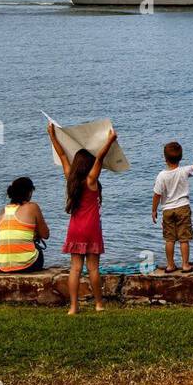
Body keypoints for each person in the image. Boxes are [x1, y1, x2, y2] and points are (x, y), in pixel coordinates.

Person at [48, 122, 117, 315]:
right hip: (91, 228)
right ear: (88, 164)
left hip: (75, 228)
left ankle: (73, 307)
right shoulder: (91, 180)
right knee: (93, 268)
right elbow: (100, 158)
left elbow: (62, 155)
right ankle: (99, 304)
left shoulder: (71, 178)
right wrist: (110, 140)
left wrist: (52, 135)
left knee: (75, 268)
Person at [151, 140, 193, 274]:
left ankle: (170, 265)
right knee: (184, 239)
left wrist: (154, 210)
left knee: (169, 239)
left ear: (165, 159)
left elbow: (156, 194)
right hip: (183, 208)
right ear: (181, 158)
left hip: (167, 210)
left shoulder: (161, 175)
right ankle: (185, 265)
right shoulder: (184, 171)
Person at [0, 176, 49, 273]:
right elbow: (45, 234)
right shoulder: (33, 207)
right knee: (37, 249)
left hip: (2, 266)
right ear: (30, 192)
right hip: (27, 265)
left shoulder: (3, 211)